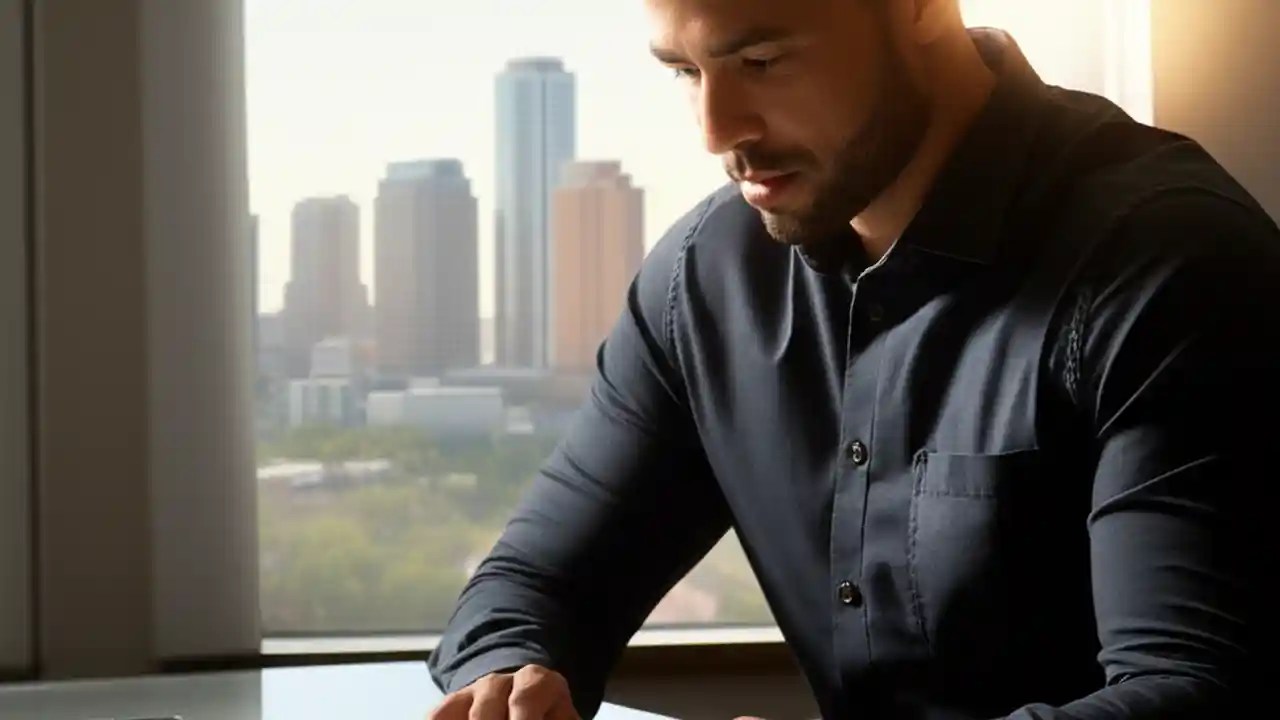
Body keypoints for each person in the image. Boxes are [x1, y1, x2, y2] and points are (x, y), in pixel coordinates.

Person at [428, 0, 1280, 717]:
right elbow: (534, 582)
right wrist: (508, 675)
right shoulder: (708, 278)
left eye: (760, 59)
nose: (717, 130)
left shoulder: (1173, 263)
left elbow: (1194, 694)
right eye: (686, 73)